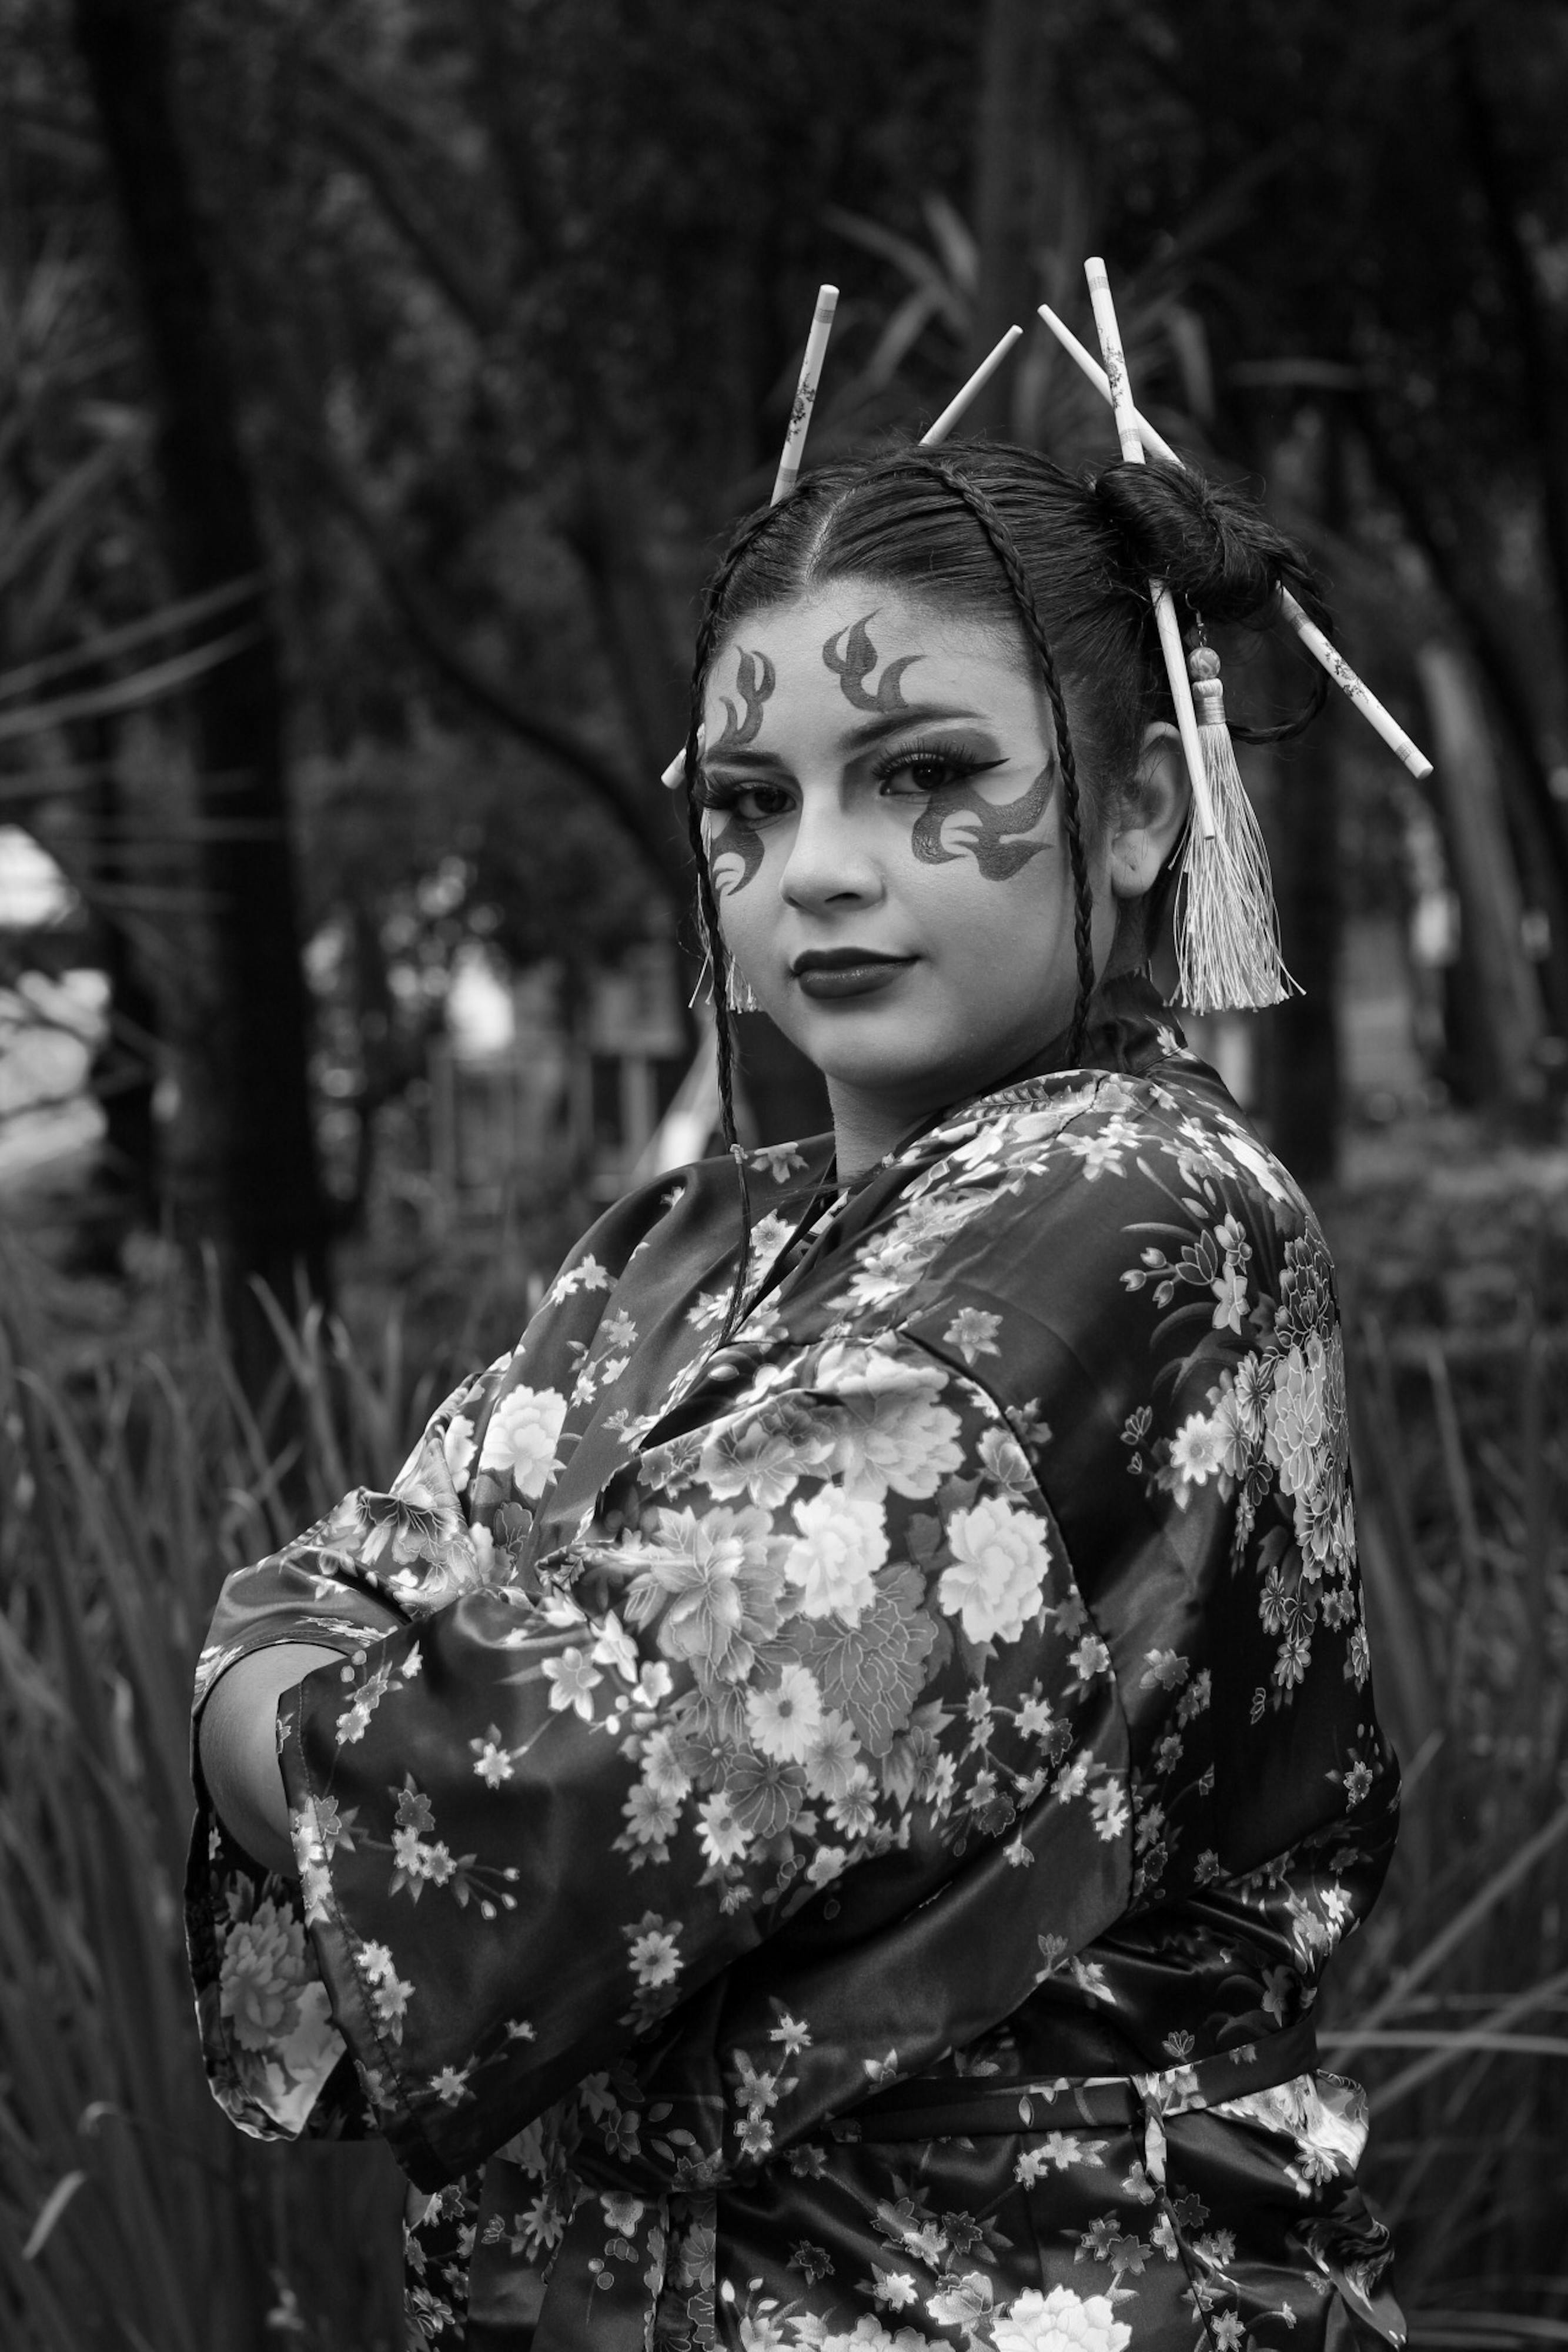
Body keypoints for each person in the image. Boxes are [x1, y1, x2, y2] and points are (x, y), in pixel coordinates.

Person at [190, 442, 1405, 2352]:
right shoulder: (684, 1250)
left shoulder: (1125, 1219)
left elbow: (545, 1790)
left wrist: (255, 1690)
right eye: (754, 800)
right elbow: (387, 1641)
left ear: (1143, 811)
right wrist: (356, 1666)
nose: (819, 865)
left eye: (926, 776)